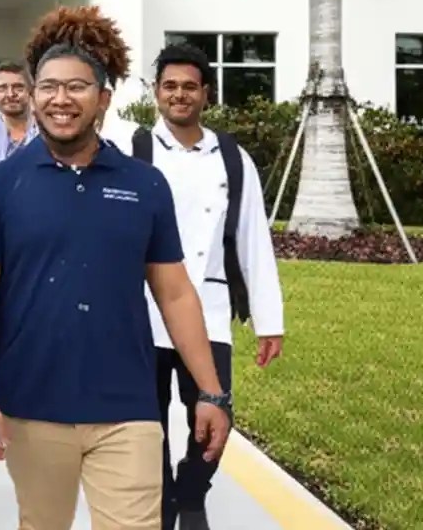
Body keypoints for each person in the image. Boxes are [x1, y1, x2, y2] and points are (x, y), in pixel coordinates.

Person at [0, 6, 232, 530]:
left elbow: (174, 292)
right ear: (33, 98)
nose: (61, 99)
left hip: (128, 407)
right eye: (49, 88)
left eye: (78, 87)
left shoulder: (145, 184)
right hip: (31, 407)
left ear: (104, 99)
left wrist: (211, 392)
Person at [136, 44, 285, 530]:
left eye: (190, 87)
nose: (179, 95)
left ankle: (191, 489)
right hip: (139, 313)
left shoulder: (233, 159)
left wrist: (269, 321)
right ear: (156, 92)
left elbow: (252, 241)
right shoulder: (131, 151)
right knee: (146, 426)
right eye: (170, 86)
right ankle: (161, 507)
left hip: (209, 309)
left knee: (215, 417)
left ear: (206, 94)